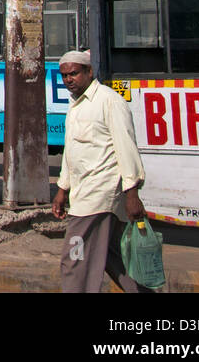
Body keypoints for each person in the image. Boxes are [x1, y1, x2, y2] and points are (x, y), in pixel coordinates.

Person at [51, 50, 154, 294]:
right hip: (83, 193)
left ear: (89, 72)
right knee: (110, 256)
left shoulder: (109, 101)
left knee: (75, 260)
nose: (69, 80)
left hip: (99, 194)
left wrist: (132, 193)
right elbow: (72, 151)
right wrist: (62, 189)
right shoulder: (76, 105)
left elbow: (125, 146)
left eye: (74, 73)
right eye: (64, 75)